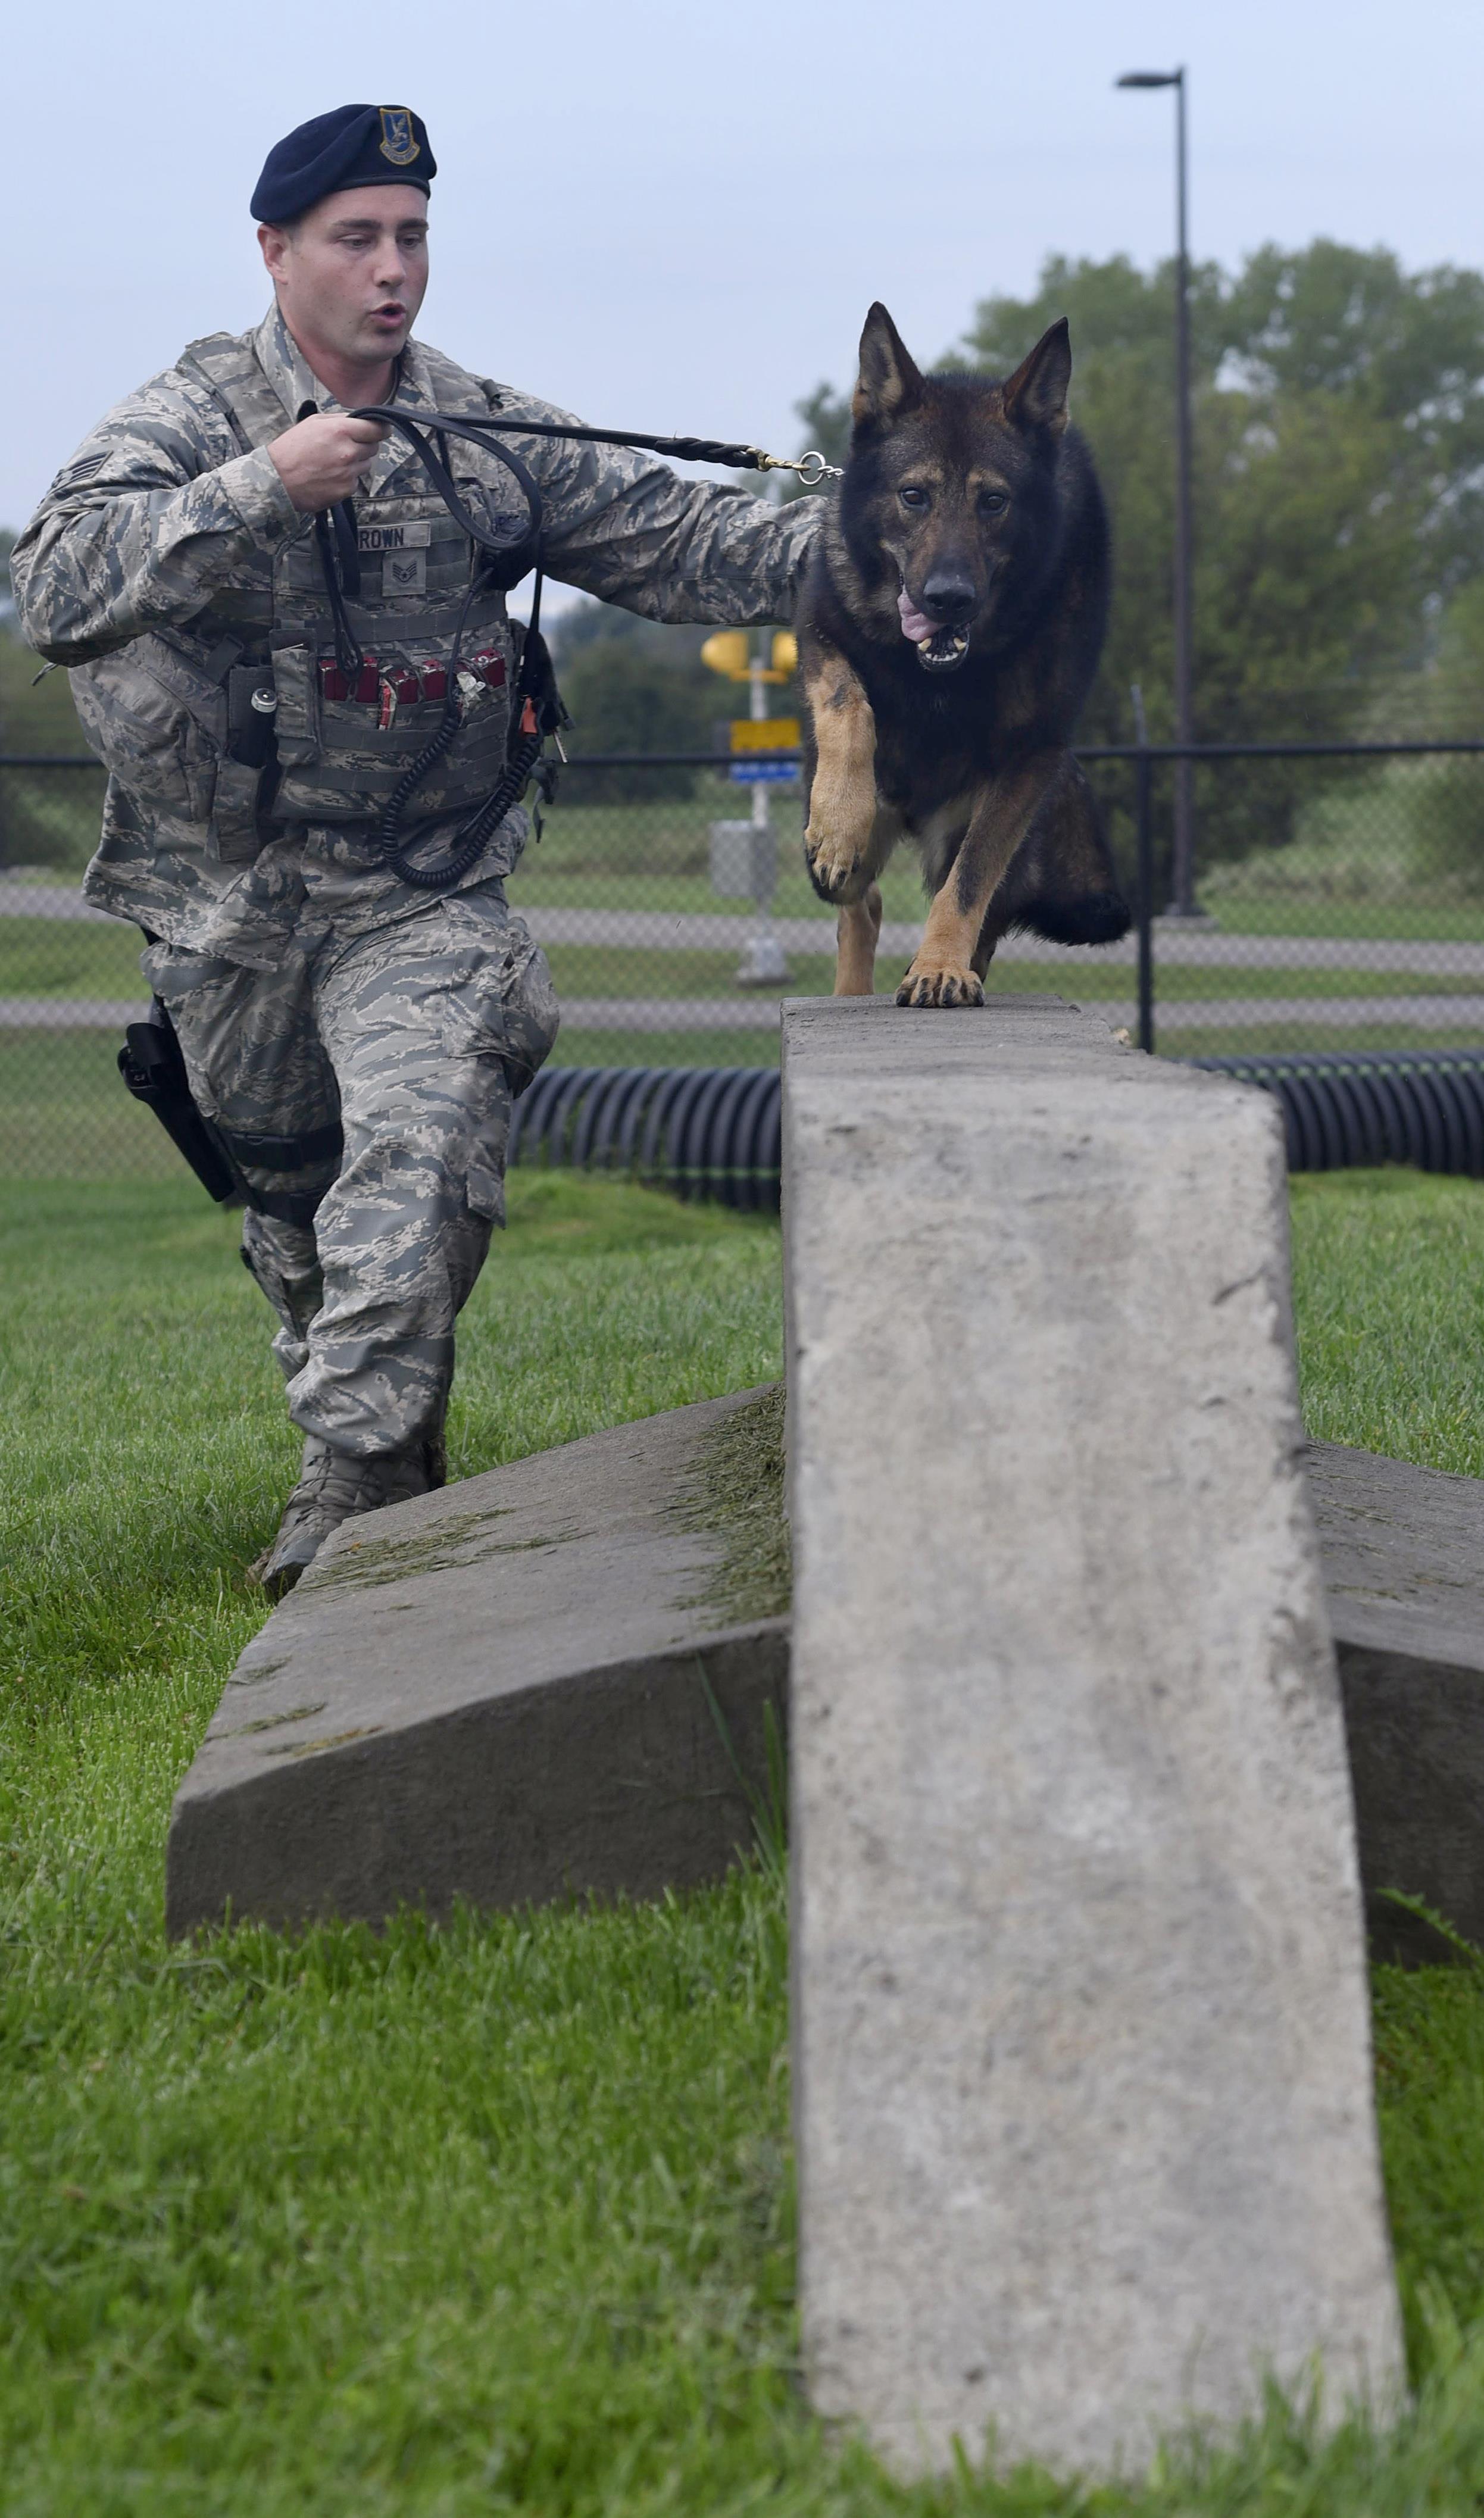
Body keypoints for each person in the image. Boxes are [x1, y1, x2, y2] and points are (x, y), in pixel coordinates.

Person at [11, 104, 818, 1596]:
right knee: (295, 1209)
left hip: (420, 892)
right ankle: (384, 1449)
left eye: (413, 237)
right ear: (276, 252)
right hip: (225, 903)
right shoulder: (192, 418)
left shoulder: (480, 436)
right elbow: (55, 585)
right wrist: (263, 486)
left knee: (419, 1144)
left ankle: (355, 1491)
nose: (392, 269)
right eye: (356, 239)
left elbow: (686, 540)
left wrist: (905, 537)